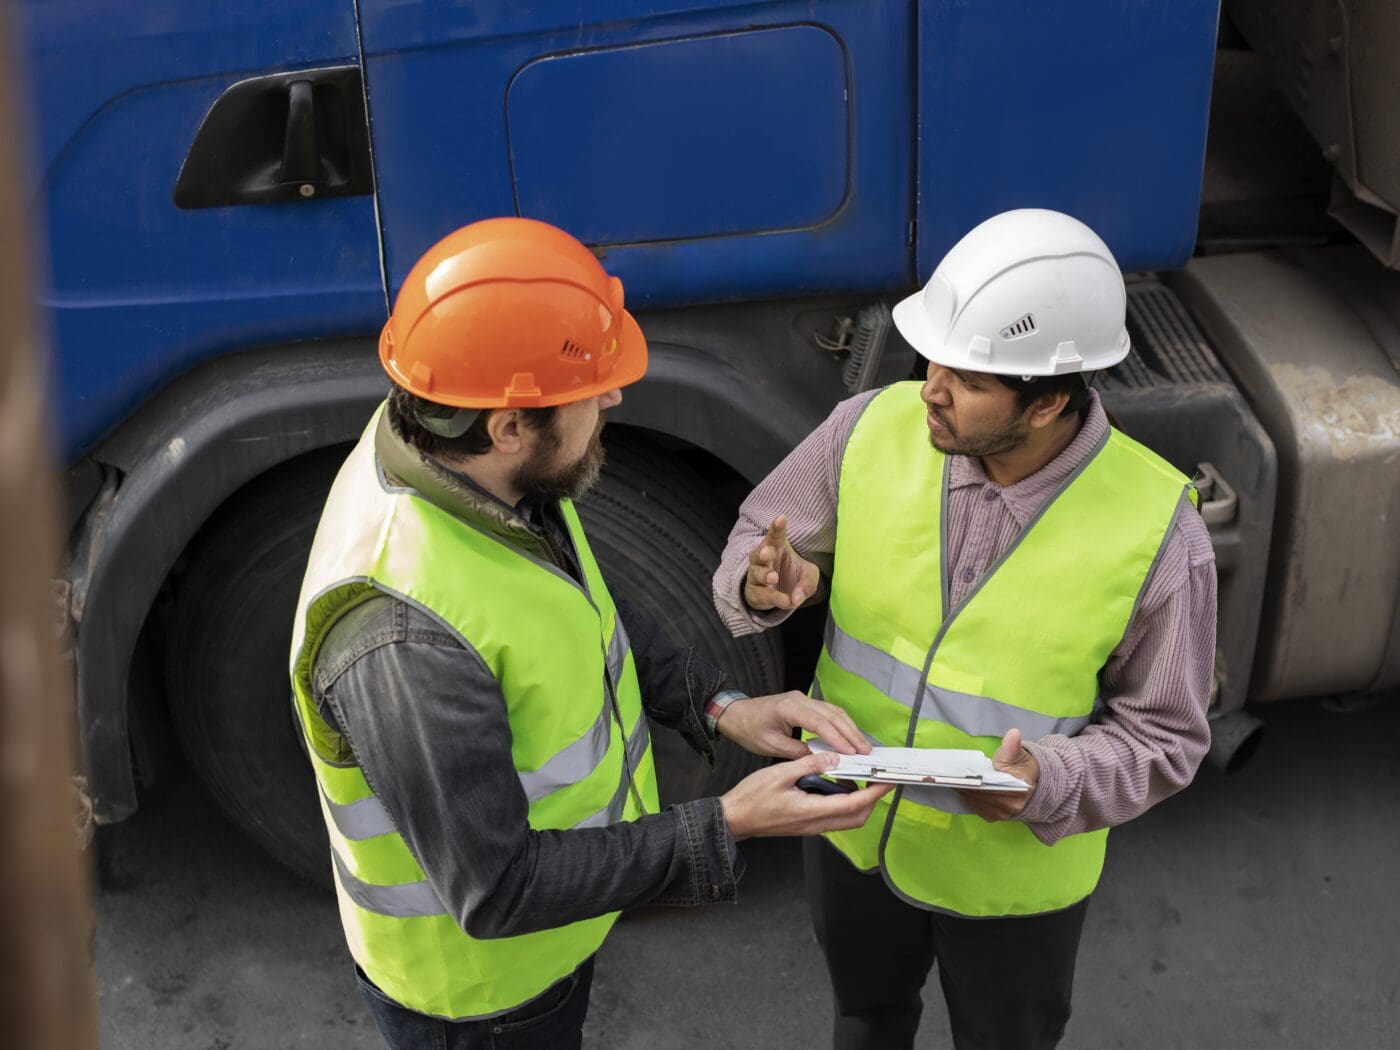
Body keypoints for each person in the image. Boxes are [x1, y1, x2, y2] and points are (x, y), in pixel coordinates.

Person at [289, 217, 889, 1049]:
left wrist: (718, 706)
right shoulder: (402, 641)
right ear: (508, 426)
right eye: (590, 389)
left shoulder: (481, 470)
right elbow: (497, 893)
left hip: (558, 941)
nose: (612, 397)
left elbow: (584, 610)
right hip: (484, 1003)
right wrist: (729, 823)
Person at [713, 208, 1217, 1050]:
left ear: (1050, 400)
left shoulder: (1160, 534)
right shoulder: (871, 426)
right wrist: (769, 586)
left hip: (1009, 885)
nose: (932, 390)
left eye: (970, 379)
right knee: (865, 1024)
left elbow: (1166, 739)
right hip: (851, 834)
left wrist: (1042, 783)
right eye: (934, 359)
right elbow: (757, 538)